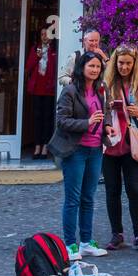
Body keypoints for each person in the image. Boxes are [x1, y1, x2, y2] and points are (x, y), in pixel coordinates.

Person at [48, 51, 111, 259]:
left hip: (95, 150)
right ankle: (70, 245)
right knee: (73, 199)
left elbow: (106, 113)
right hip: (75, 150)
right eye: (91, 66)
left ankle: (85, 241)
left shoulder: (101, 90)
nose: (94, 70)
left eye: (98, 67)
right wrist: (88, 123)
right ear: (82, 67)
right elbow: (62, 121)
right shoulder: (70, 91)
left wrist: (107, 127)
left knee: (89, 198)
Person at [102, 45, 138, 253]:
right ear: (115, 63)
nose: (124, 67)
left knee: (135, 190)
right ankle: (117, 234)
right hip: (110, 143)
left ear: (134, 64)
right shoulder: (106, 84)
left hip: (132, 143)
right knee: (112, 191)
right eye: (121, 63)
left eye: (128, 63)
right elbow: (97, 108)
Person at [24, 31, 58, 158]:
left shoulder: (55, 50)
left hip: (49, 90)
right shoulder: (35, 48)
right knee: (37, 118)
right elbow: (28, 67)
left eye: (47, 34)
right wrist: (37, 57)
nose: (45, 37)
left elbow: (56, 69)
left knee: (48, 118)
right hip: (37, 89)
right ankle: (37, 146)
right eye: (42, 34)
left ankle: (45, 146)